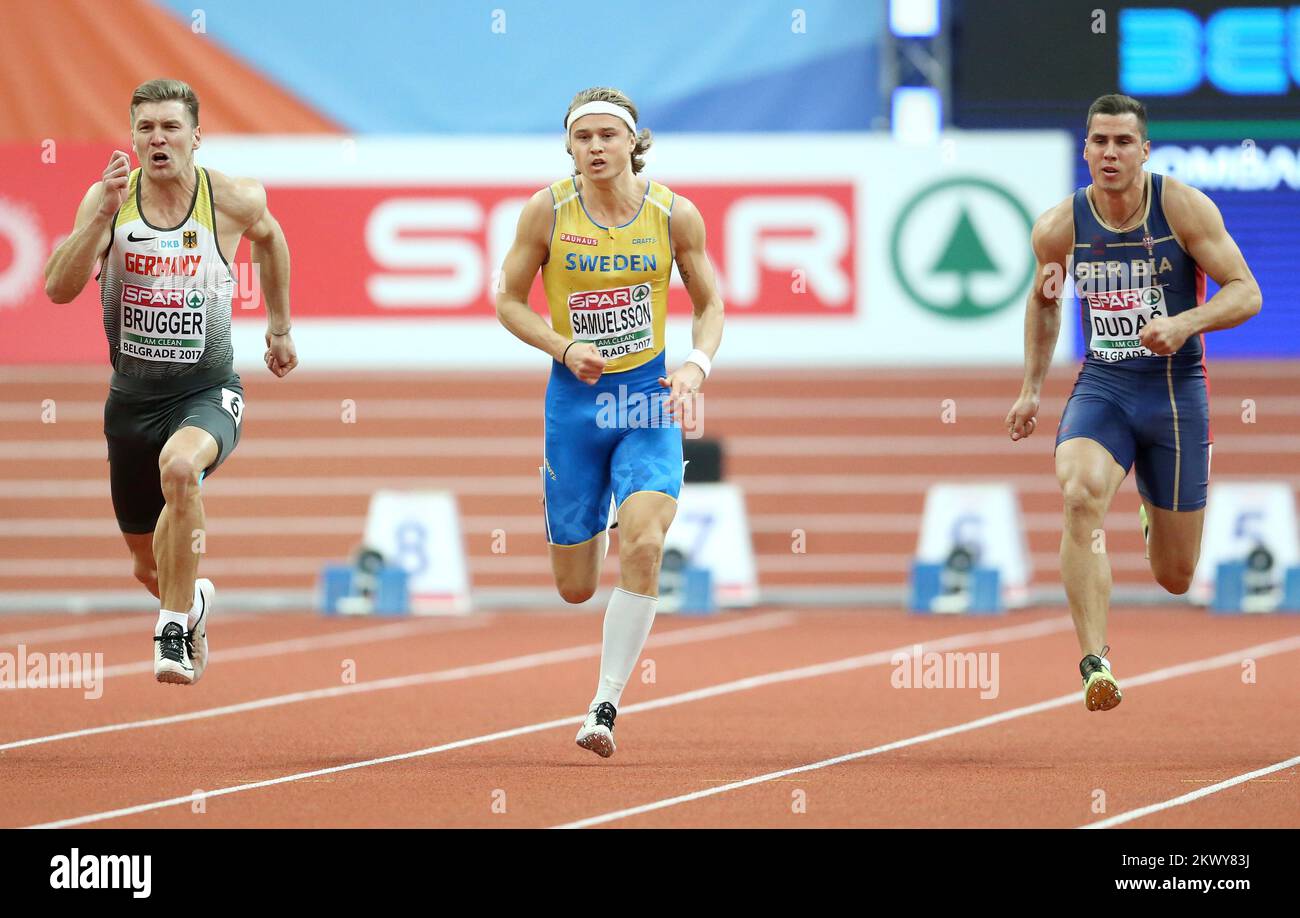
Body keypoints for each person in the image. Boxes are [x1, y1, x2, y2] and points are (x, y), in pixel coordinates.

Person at [1006, 93, 1261, 711]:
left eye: (1124, 142)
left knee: (1175, 577)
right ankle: (1096, 661)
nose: (1111, 153)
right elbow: (1045, 302)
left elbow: (1246, 292)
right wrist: (1032, 389)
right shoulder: (1058, 229)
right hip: (1106, 386)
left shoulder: (1182, 209)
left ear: (1144, 150)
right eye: (1100, 141)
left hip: (1175, 393)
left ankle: (1154, 510)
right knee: (1078, 493)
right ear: (1086, 149)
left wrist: (1185, 323)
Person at [43, 78, 298, 685]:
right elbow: (57, 288)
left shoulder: (231, 198)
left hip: (208, 391)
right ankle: (190, 601)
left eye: (171, 127)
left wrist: (280, 327)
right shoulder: (109, 200)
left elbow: (272, 238)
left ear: (196, 136)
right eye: (146, 128)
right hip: (130, 400)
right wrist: (98, 221)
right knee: (146, 564)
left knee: (182, 471)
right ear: (132, 137)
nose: (158, 139)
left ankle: (171, 630)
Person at [495, 87, 724, 756]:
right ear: (569, 146)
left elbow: (711, 304)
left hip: (648, 399)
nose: (595, 147)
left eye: (607, 136)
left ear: (633, 142)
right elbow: (507, 300)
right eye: (583, 137)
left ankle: (605, 704)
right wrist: (562, 346)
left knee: (646, 545)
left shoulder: (674, 214)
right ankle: (595, 501)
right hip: (575, 406)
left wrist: (695, 368)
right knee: (574, 588)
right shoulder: (547, 211)